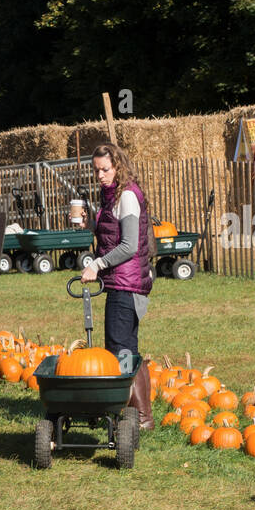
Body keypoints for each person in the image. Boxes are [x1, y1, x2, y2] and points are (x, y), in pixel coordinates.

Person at [79, 141, 155, 430]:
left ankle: (137, 417)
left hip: (127, 284)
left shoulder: (128, 197)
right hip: (122, 282)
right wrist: (89, 224)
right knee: (127, 350)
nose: (100, 175)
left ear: (118, 166)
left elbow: (128, 246)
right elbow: (110, 235)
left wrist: (96, 265)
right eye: (96, 170)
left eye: (105, 169)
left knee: (120, 349)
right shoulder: (111, 196)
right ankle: (139, 416)